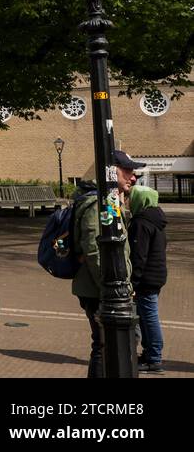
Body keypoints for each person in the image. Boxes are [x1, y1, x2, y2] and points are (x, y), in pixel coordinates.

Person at [72, 148, 141, 377]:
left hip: (108, 288)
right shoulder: (97, 204)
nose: (133, 177)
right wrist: (113, 290)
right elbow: (94, 251)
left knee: (112, 343)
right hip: (100, 290)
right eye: (128, 171)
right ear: (111, 172)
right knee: (104, 346)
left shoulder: (110, 200)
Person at [128, 184, 168, 373]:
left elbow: (138, 256)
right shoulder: (156, 220)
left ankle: (154, 358)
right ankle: (150, 353)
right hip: (156, 274)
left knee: (149, 316)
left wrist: (133, 282)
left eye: (131, 198)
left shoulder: (141, 222)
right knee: (146, 315)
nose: (128, 202)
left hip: (147, 277)